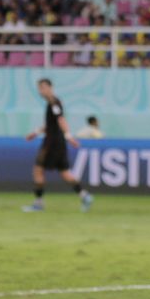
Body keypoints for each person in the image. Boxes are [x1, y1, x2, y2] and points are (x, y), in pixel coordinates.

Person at [23, 78, 94, 212]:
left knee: (38, 170)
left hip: (52, 143)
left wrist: (69, 136)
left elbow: (61, 120)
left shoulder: (54, 103)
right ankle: (85, 196)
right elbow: (51, 124)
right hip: (58, 142)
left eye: (43, 87)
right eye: (39, 88)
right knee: (65, 173)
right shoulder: (53, 103)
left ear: (50, 88)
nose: (41, 91)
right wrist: (35, 132)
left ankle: (38, 203)